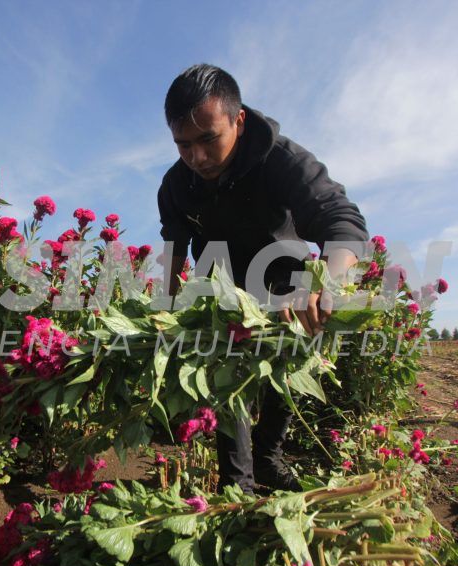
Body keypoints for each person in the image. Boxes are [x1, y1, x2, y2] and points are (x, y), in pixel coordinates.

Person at [157, 64, 369, 492]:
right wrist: (165, 309)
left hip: (287, 289)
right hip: (224, 294)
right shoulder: (177, 185)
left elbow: (341, 219)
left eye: (207, 139)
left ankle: (269, 454)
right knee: (226, 380)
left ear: (238, 120)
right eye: (183, 145)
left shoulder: (282, 160)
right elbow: (175, 246)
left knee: (285, 373)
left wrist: (324, 281)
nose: (196, 157)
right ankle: (238, 489)